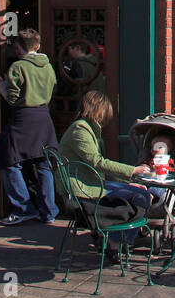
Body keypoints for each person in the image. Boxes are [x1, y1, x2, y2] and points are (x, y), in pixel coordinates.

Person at [58, 91, 158, 253]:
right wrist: (133, 171)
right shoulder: (80, 131)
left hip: (91, 183)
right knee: (142, 197)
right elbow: (97, 163)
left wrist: (128, 182)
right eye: (105, 113)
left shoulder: (86, 129)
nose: (106, 119)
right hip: (83, 190)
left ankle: (117, 239)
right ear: (97, 110)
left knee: (142, 191)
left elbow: (97, 167)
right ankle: (116, 242)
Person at [0, 29, 59, 226]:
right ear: (37, 46)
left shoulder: (18, 67)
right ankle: (49, 211)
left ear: (19, 48)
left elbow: (12, 98)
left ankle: (23, 208)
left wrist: (1, 87)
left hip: (23, 118)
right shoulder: (48, 67)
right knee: (43, 165)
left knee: (8, 161)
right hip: (43, 118)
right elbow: (53, 86)